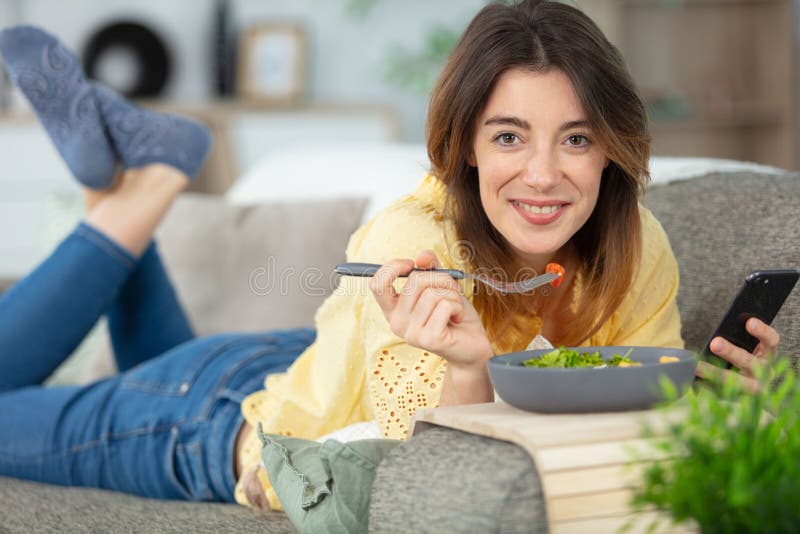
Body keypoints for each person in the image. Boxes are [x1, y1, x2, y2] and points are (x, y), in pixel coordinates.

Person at [0, 0, 783, 514]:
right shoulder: (412, 245)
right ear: (467, 146)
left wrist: (720, 411)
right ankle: (149, 186)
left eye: (575, 139)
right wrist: (469, 371)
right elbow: (427, 490)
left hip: (292, 365)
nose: (544, 175)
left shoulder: (637, 246)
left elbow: (629, 427)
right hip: (218, 423)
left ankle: (121, 191)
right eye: (509, 136)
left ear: (611, 147)